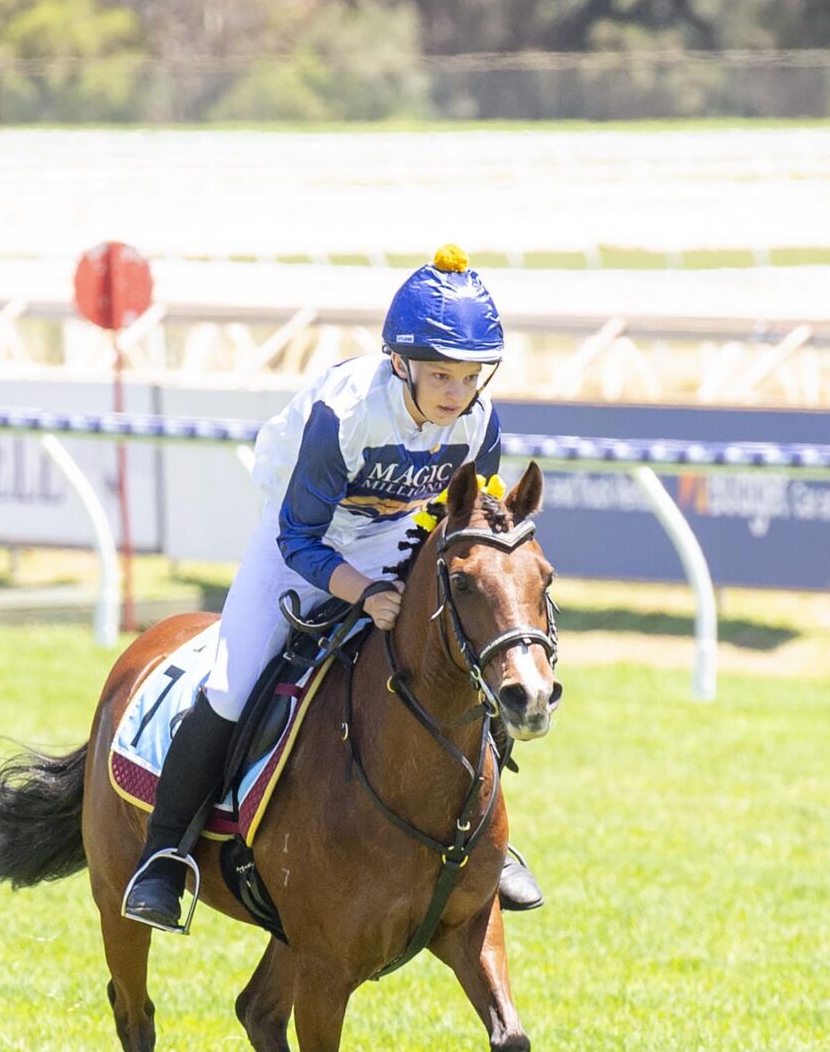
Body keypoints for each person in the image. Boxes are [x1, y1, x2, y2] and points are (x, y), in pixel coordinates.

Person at [121, 245, 543, 932]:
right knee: (230, 684)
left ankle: (490, 842)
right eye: (439, 374)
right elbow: (298, 537)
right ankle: (165, 855)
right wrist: (365, 593)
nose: (454, 393)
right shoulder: (345, 413)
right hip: (300, 535)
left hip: (393, 533)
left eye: (469, 377)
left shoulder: (478, 422)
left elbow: (464, 518)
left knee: (464, 655)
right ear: (400, 363)